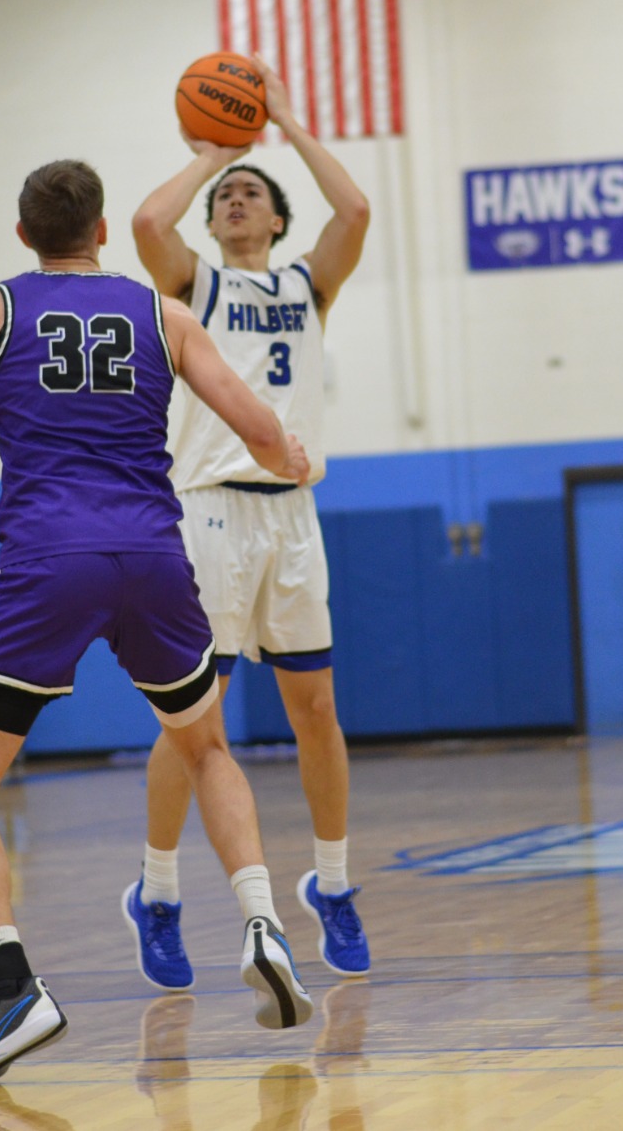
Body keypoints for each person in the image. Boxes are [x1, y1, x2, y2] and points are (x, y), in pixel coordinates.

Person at [0, 158, 318, 1087]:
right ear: (104, 233)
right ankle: (265, 924)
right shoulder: (164, 313)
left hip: (47, 564)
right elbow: (256, 426)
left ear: (24, 235)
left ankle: (11, 989)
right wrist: (295, 460)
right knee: (208, 751)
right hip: (154, 558)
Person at [129, 58, 374, 987]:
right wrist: (214, 148)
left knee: (317, 711)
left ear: (277, 219)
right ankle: (157, 894)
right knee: (197, 719)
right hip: (211, 514)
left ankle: (335, 885)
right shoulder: (195, 287)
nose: (235, 198)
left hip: (294, 516)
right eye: (225, 195)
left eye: (250, 192)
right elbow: (151, 223)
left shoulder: (310, 286)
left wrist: (287, 122)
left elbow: (353, 213)